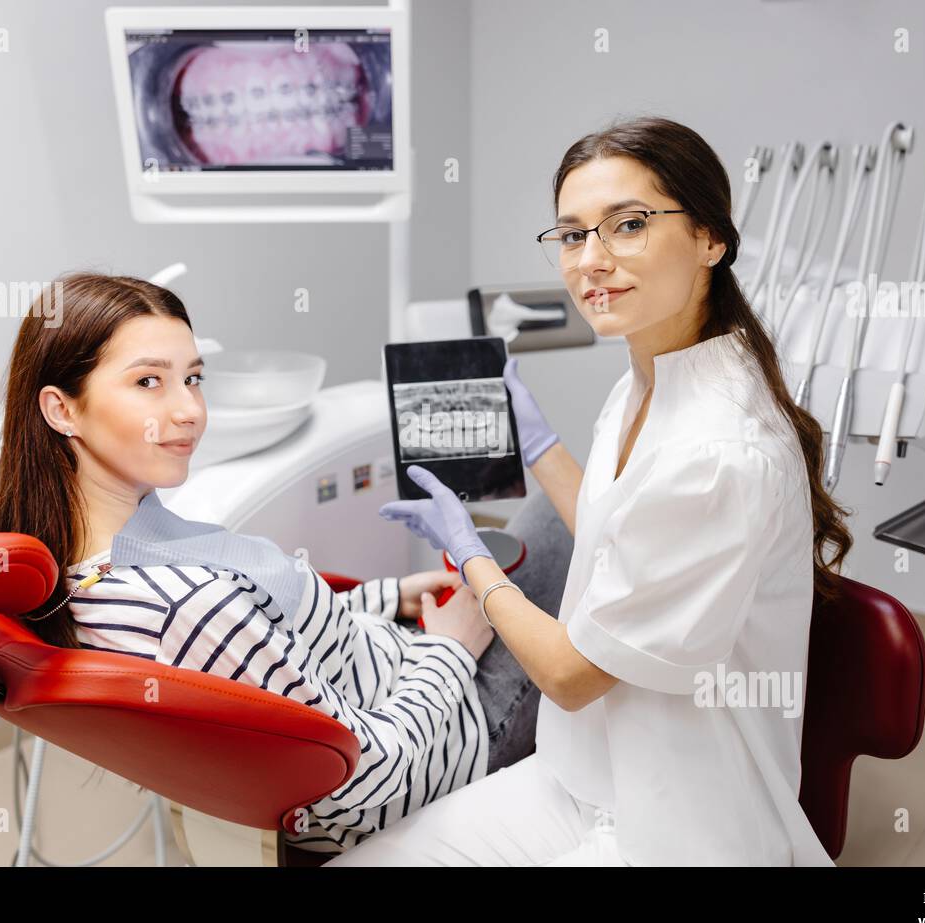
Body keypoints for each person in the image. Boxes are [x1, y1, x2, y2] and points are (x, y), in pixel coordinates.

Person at [326, 116, 854, 867]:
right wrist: (541, 449)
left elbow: (571, 677)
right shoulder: (647, 376)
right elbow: (621, 531)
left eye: (628, 226)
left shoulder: (719, 450)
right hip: (580, 779)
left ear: (711, 240)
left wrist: (472, 557)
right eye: (572, 236)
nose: (592, 261)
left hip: (682, 824)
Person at [0, 272, 573, 855]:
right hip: (454, 732)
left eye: (193, 378)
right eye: (149, 382)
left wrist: (389, 597)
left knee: (556, 527)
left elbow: (270, 641)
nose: (189, 410)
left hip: (403, 669)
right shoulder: (186, 606)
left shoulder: (106, 556)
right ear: (62, 410)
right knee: (573, 513)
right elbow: (361, 779)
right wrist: (454, 650)